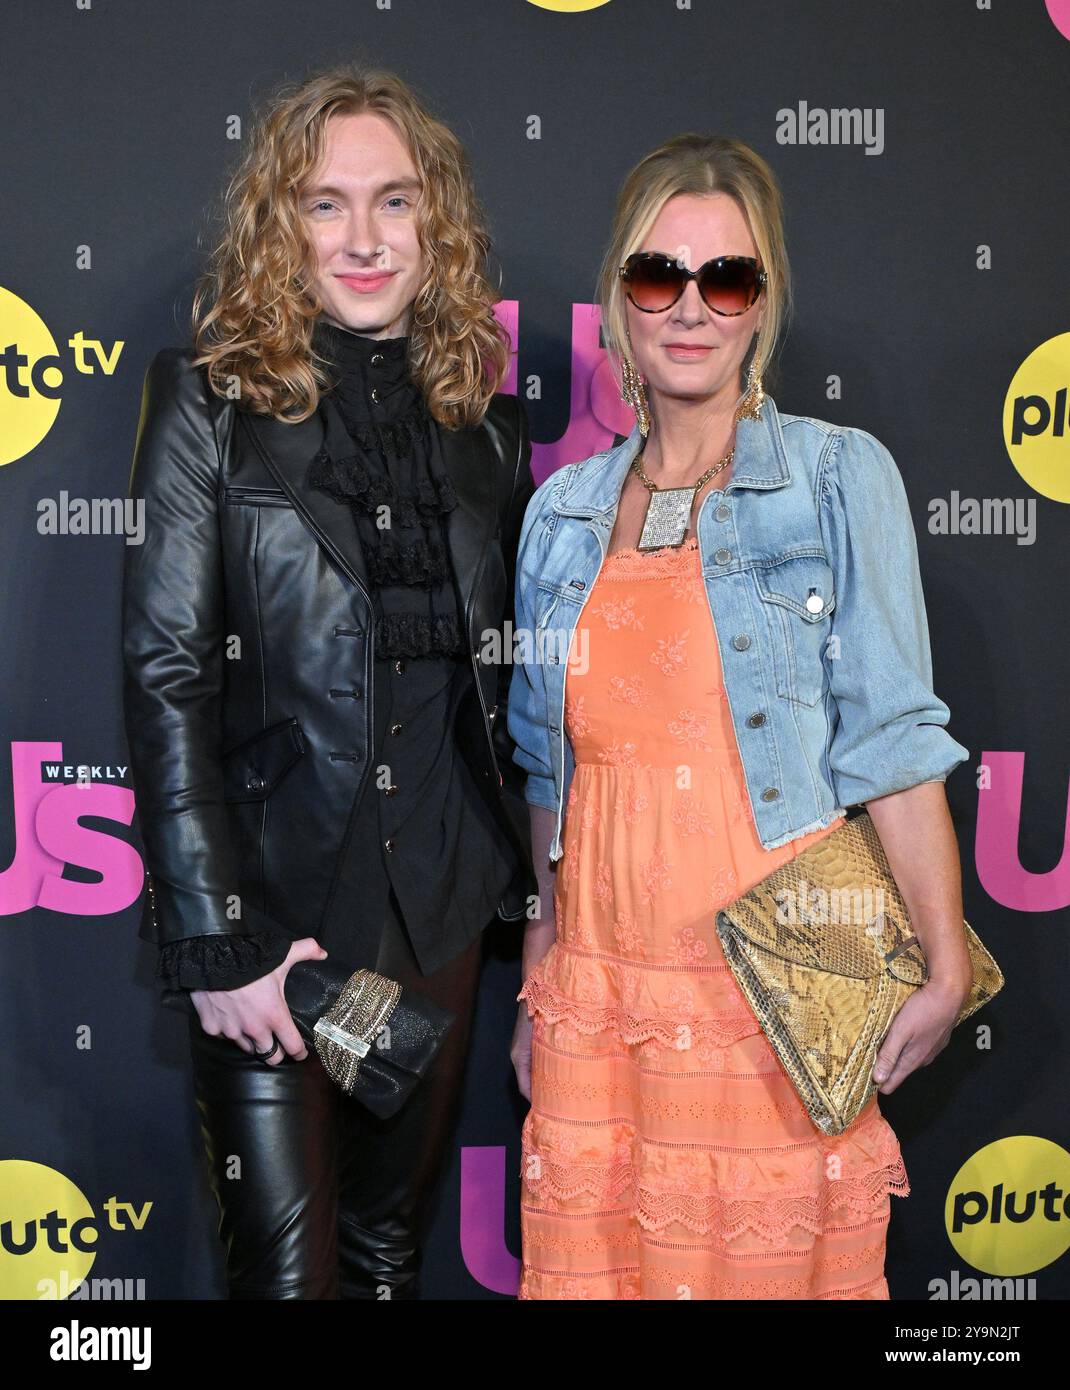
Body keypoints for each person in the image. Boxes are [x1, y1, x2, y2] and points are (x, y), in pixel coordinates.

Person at [507, 134, 973, 1300]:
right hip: (599, 1005)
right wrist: (541, 968)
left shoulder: (833, 477)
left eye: (728, 280)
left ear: (760, 306)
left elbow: (894, 746)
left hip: (769, 1000)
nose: (691, 309)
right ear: (619, 294)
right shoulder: (560, 512)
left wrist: (946, 960)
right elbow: (546, 773)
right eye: (659, 275)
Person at [121, 63, 536, 1299]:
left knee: (386, 1257)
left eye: (394, 202)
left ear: (436, 223)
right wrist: (218, 936)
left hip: (438, 921)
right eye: (324, 204)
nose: (362, 239)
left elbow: (498, 689)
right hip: (274, 926)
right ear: (278, 224)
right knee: (286, 1281)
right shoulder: (209, 403)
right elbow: (167, 671)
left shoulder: (486, 436)